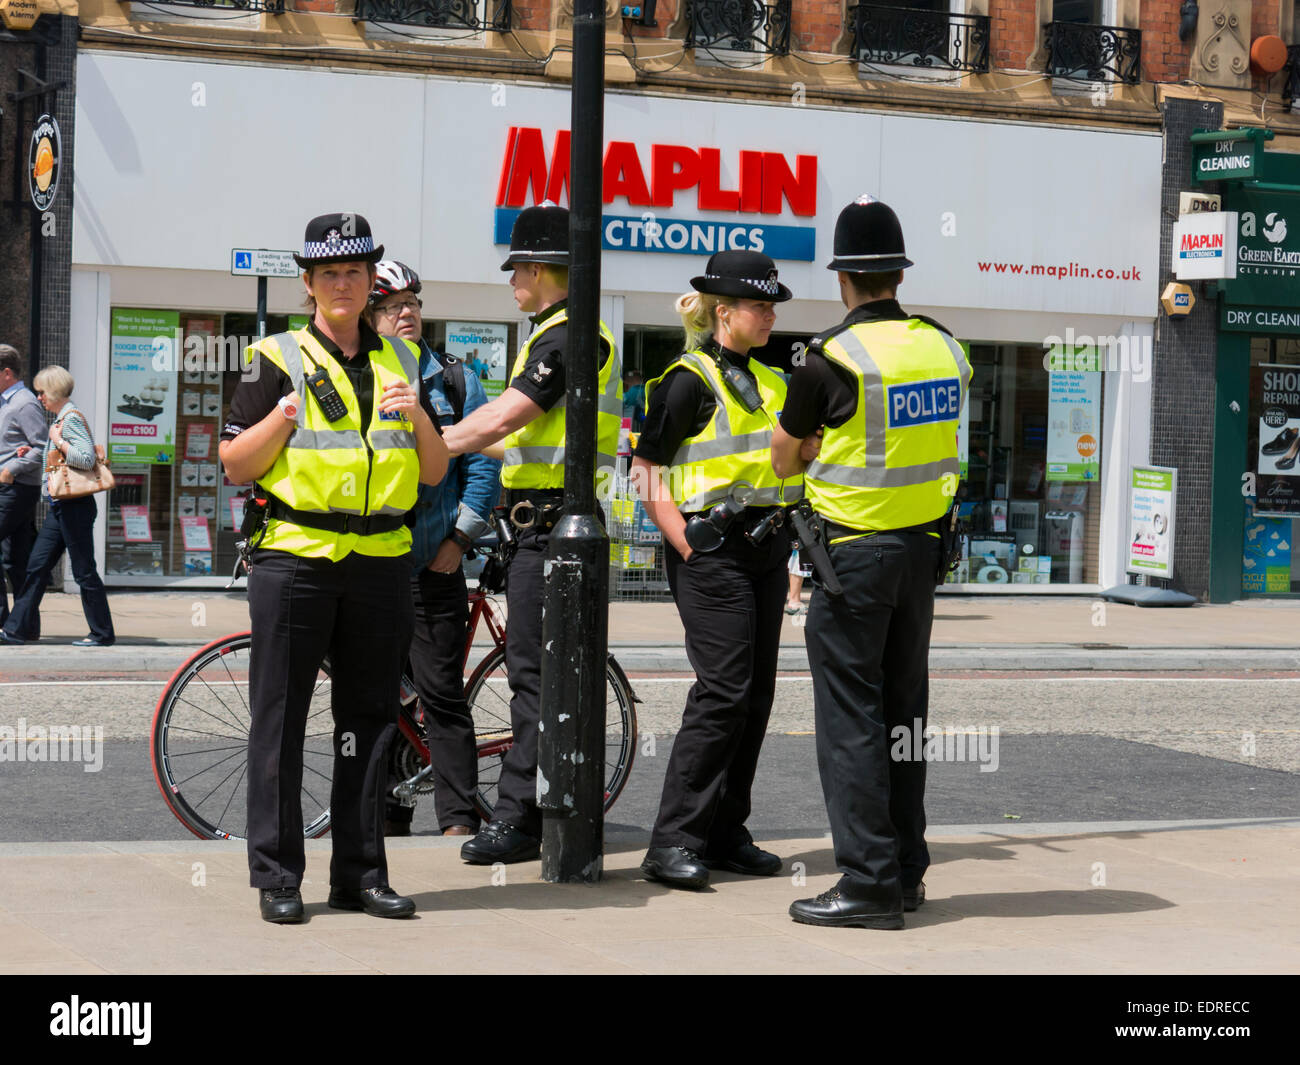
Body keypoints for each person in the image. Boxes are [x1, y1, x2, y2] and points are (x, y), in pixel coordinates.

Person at [218, 213, 448, 924]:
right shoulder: (275, 356)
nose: (343, 284)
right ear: (309, 283)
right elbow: (233, 464)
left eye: (355, 272)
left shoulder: (405, 360)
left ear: (370, 280)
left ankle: (359, 872)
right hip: (297, 559)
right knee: (280, 720)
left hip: (381, 560)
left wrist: (419, 420)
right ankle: (278, 874)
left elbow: (436, 471)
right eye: (329, 274)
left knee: (371, 722)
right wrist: (282, 417)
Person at [771, 196, 971, 929]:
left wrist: (824, 443)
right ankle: (907, 872)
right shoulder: (946, 347)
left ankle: (866, 882)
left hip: (851, 560)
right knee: (902, 716)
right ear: (897, 271)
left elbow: (784, 457)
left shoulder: (828, 359)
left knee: (852, 722)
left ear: (844, 277)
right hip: (922, 556)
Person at [441, 202, 622, 865]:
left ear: (540, 268)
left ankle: (520, 818)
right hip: (538, 529)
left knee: (535, 681)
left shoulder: (568, 336)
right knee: (539, 676)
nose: (511, 280)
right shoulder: (557, 332)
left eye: (516, 268)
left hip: (552, 531)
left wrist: (436, 443)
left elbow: (505, 416)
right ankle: (547, 808)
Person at [632, 250, 801, 890]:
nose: (769, 314)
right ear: (724, 313)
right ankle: (674, 840)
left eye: (772, 304)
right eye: (760, 305)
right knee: (723, 692)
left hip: (765, 549)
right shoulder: (688, 379)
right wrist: (683, 543)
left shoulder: (776, 381)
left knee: (755, 696)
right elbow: (646, 468)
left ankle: (727, 832)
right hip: (714, 552)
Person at [368, 260, 501, 838]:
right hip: (371, 565)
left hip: (432, 564)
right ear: (371, 317)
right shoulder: (357, 375)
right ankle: (386, 816)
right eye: (394, 305)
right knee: (378, 701)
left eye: (413, 303)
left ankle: (457, 820)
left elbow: (482, 468)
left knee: (442, 695)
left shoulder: (455, 379)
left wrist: (459, 539)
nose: (407, 313)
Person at [0, 365, 115, 647]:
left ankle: (102, 633)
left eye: (42, 392)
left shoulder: (70, 418)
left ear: (53, 391)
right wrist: (31, 452)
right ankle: (15, 630)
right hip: (61, 505)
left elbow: (85, 459)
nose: (39, 398)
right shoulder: (62, 417)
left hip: (75, 506)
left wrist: (58, 441)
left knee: (83, 570)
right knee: (36, 567)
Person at [0, 344, 46, 637]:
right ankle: (23, 626)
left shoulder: (24, 403)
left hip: (16, 488)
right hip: (12, 488)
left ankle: (7, 622)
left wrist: (10, 470)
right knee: (17, 559)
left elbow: (42, 447)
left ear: (6, 372)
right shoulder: (7, 402)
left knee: (17, 558)